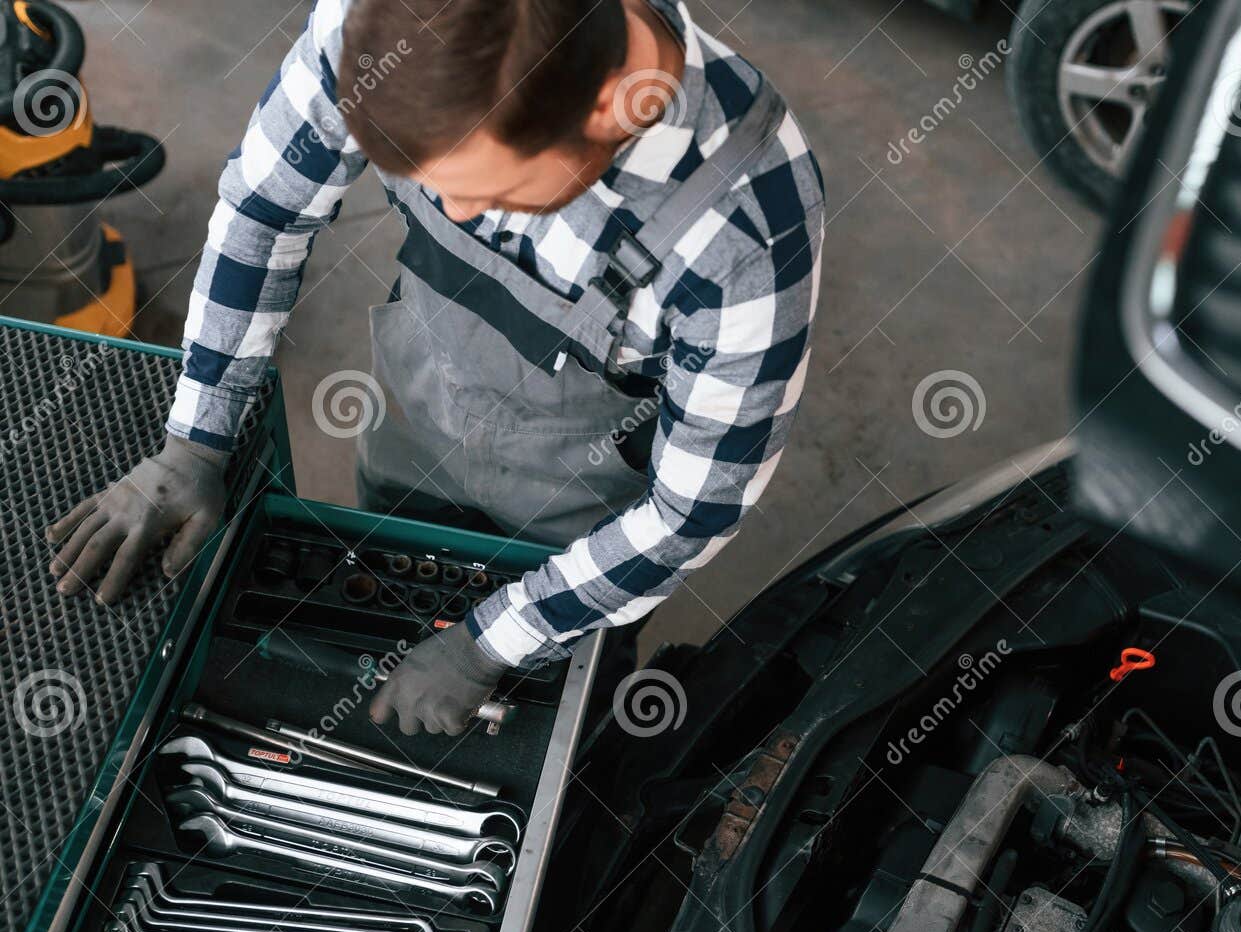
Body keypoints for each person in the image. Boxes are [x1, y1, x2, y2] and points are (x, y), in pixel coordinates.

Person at [44, 0, 824, 735]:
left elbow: (690, 512)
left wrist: (491, 644)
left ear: (600, 112)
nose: (450, 215)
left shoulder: (743, 231)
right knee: (379, 589)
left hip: (582, 520)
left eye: (489, 191)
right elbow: (263, 211)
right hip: (416, 419)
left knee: (558, 712)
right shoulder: (382, 24)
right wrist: (195, 443)